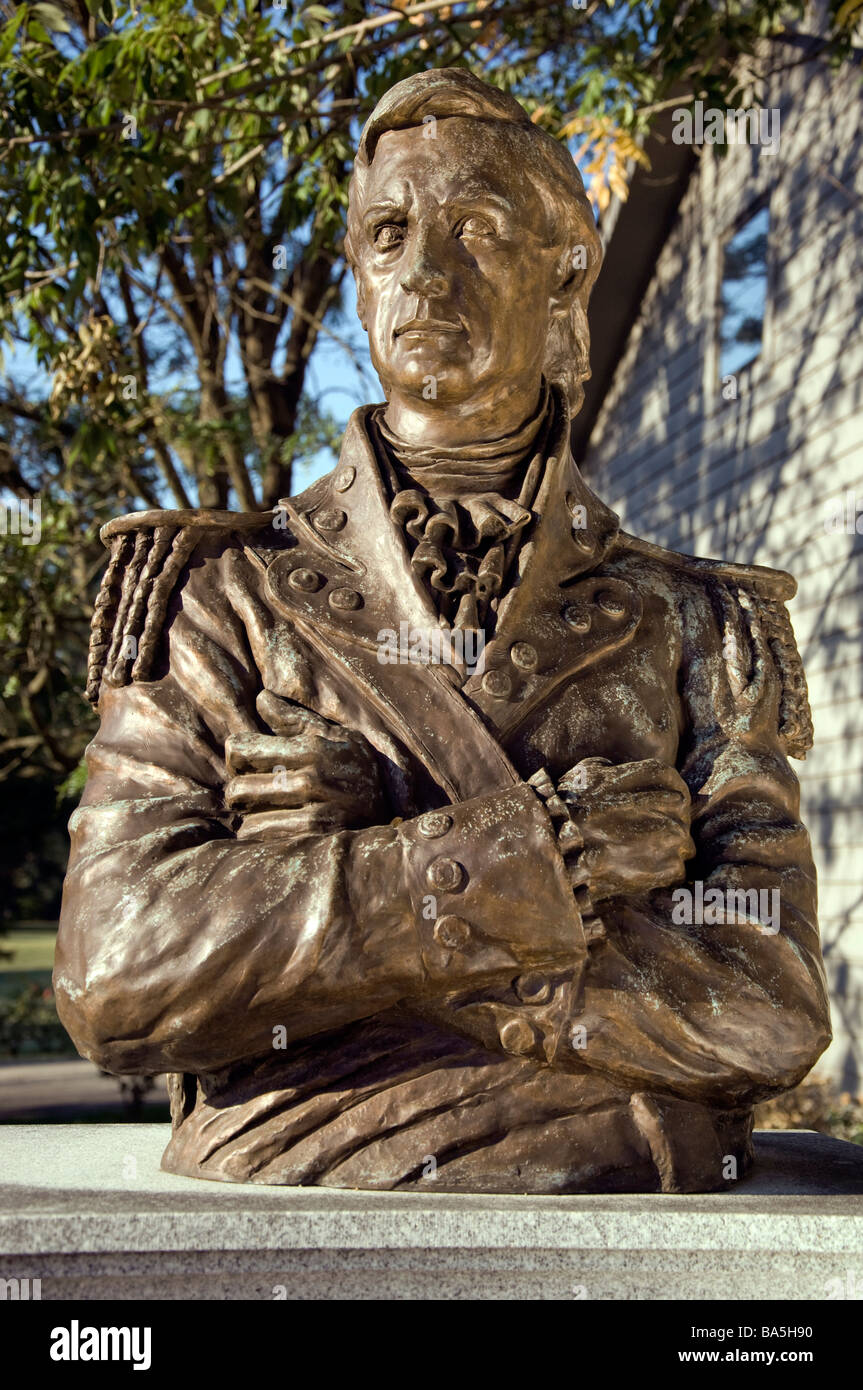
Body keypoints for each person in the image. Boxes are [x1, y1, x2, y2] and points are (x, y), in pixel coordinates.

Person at [54, 69, 830, 1193]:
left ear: (564, 268)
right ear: (361, 277)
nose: (424, 272)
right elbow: (113, 971)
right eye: (388, 232)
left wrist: (325, 881)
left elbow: (769, 1008)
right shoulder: (225, 594)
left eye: (474, 227)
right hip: (310, 1171)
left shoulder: (695, 621)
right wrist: (522, 867)